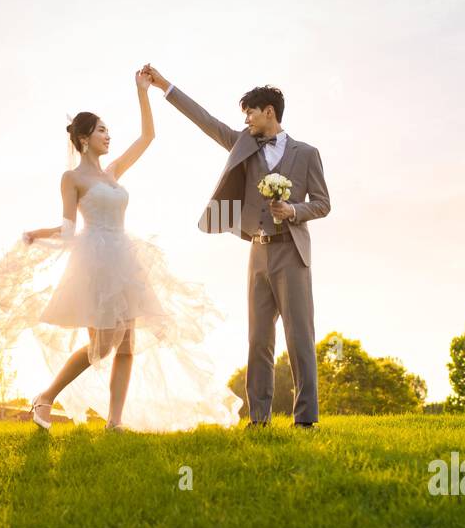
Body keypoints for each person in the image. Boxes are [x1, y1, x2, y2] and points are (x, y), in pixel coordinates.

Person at [0, 68, 242, 433]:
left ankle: (114, 423)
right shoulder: (72, 179)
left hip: (124, 259)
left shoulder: (112, 172)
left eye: (107, 129)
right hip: (96, 263)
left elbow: (148, 136)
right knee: (102, 347)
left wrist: (143, 90)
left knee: (127, 345)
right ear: (83, 139)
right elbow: (68, 229)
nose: (108, 135)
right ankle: (46, 397)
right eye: (101, 129)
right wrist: (39, 233)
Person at [139, 65, 331, 429]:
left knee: (299, 336)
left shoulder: (307, 153)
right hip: (257, 252)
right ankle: (259, 419)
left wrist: (293, 210)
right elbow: (205, 120)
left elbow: (322, 203)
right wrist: (164, 86)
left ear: (269, 112)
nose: (245, 119)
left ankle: (305, 419)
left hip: (292, 252)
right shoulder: (242, 143)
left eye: (250, 112)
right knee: (258, 339)